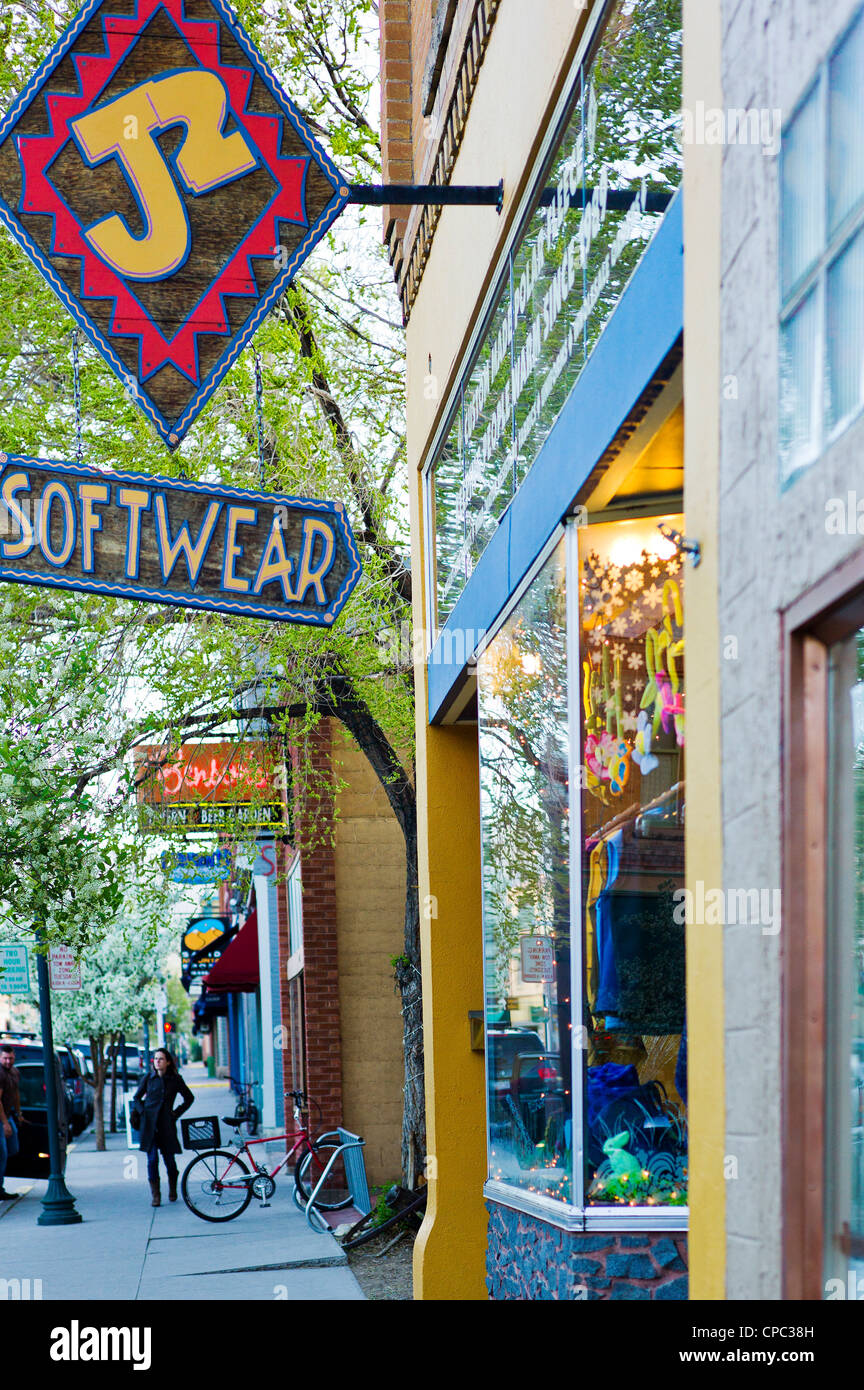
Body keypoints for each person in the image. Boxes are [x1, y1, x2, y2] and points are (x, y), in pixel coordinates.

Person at [133, 1048, 194, 1207]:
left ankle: (172, 1189)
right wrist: (143, 1113)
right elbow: (137, 1098)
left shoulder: (175, 1079)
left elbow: (189, 1098)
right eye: (155, 1059)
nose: (157, 1061)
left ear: (167, 1062)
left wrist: (175, 1114)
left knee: (170, 1161)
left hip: (166, 1125)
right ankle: (156, 1195)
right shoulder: (148, 1078)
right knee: (152, 1160)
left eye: (161, 1059)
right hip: (149, 1126)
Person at [0, 1045, 23, 1200]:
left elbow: (15, 1094)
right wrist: (4, 1123)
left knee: (13, 1148)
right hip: (1, 1117)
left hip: (8, 1115)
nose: (8, 1061)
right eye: (5, 1058)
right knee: (2, 1153)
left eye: (11, 1058)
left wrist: (19, 1113)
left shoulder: (14, 1072)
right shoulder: (0, 1073)